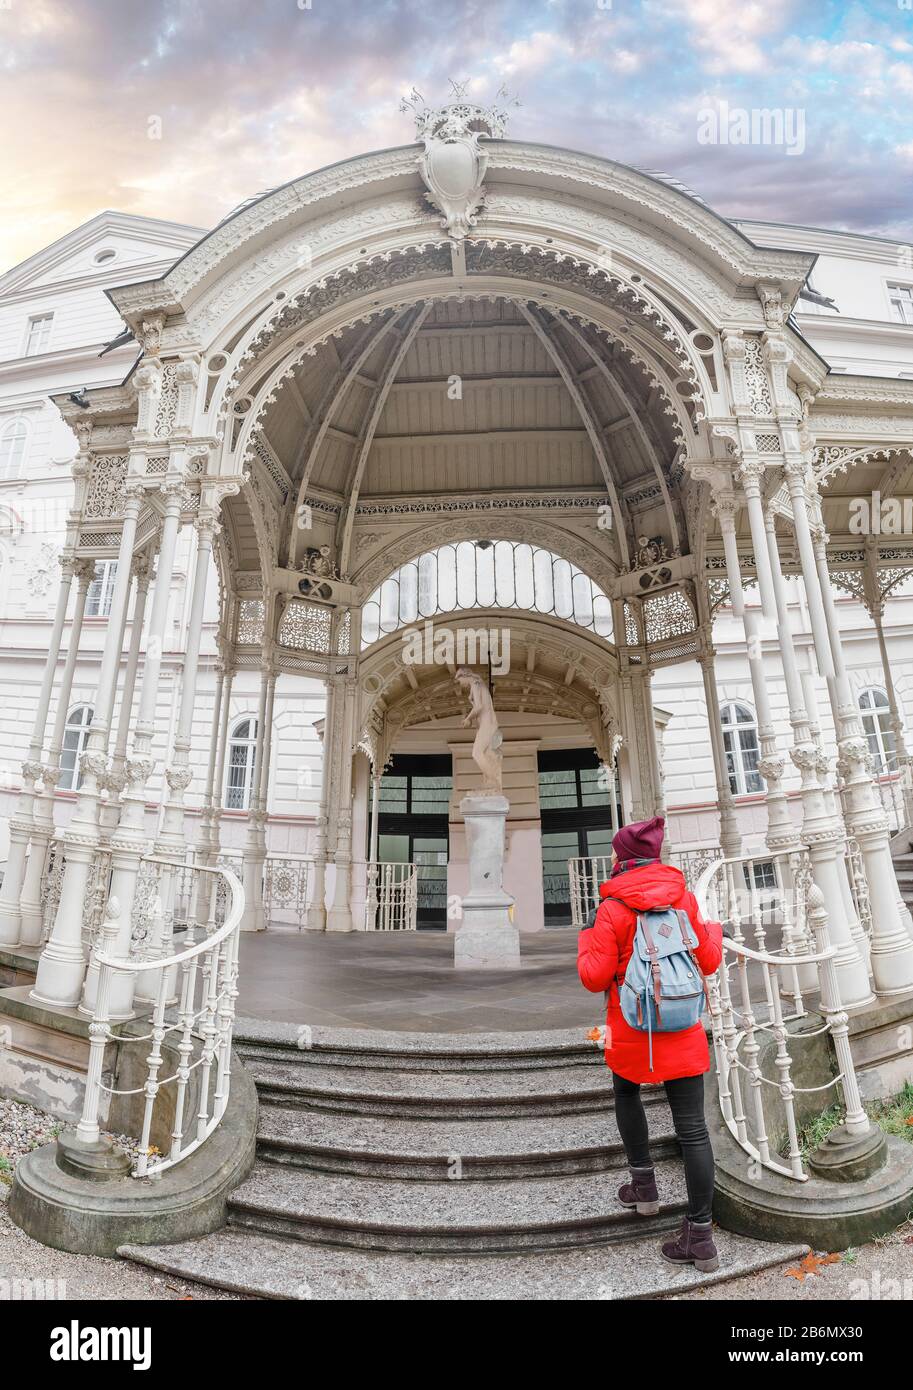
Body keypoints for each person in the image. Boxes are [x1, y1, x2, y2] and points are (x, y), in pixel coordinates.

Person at [577, 815, 724, 1272]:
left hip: (633, 1029)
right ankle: (700, 1236)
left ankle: (644, 1188)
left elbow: (593, 977)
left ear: (621, 859)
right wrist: (714, 930)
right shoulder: (681, 897)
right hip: (681, 1027)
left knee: (626, 1092)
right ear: (656, 856)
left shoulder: (611, 907)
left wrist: (586, 938)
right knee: (693, 1131)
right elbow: (710, 960)